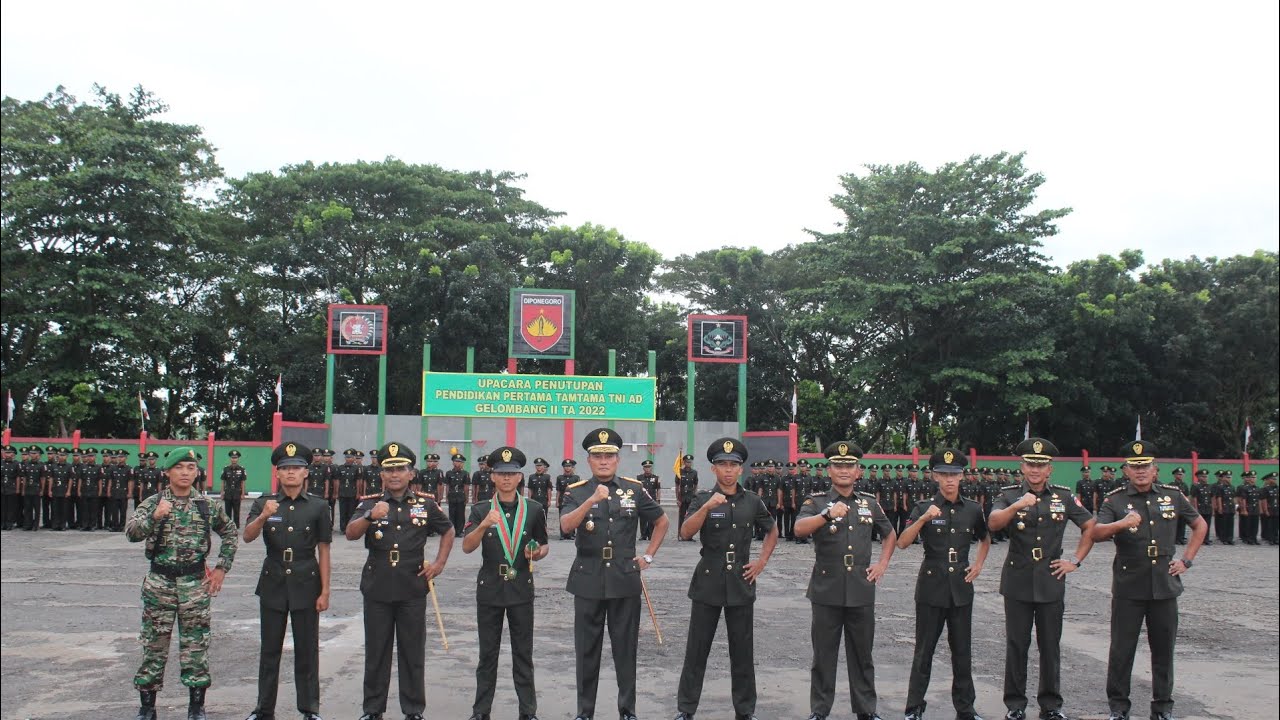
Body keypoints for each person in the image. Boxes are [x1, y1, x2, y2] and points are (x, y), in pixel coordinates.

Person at [1091, 440, 1207, 720]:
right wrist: (1122, 524)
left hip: (1164, 585)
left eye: (1145, 466)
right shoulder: (1115, 499)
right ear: (1126, 471)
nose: (1140, 471)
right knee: (1121, 649)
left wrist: (1187, 560)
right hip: (1129, 585)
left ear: (1155, 469)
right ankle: (1118, 708)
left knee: (1163, 649)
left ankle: (1163, 707)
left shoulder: (1173, 495)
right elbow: (1096, 533)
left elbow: (1199, 524)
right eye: (1134, 466)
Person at [560, 428, 669, 720]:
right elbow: (566, 526)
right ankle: (585, 712)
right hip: (587, 577)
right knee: (586, 651)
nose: (604, 461)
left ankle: (627, 711)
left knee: (625, 649)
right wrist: (591, 500)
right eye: (598, 456)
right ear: (589, 460)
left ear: (618, 459)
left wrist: (648, 556)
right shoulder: (576, 490)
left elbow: (662, 520)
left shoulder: (633, 489)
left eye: (609, 456)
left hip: (624, 577)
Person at [125, 446, 238, 720]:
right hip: (159, 583)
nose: (186, 473)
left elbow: (230, 532)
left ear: (196, 472)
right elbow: (132, 533)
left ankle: (196, 707)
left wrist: (222, 568)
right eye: (179, 467)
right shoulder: (153, 502)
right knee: (154, 646)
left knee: (196, 646)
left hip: (195, 584)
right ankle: (147, 708)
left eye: (190, 468)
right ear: (167, 472)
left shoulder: (206, 505)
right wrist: (155, 517)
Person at [987, 438, 1096, 720]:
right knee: (1017, 644)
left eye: (1041, 465)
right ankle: (1015, 705)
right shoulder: (1009, 494)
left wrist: (1075, 560)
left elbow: (1090, 526)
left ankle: (1050, 705)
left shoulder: (1064, 496)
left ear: (1050, 469)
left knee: (1050, 645)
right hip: (1018, 578)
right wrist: (1017, 506)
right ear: (1022, 467)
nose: (1035, 469)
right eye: (1030, 464)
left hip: (1051, 577)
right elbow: (994, 522)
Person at [345, 440, 454, 720]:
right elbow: (351, 533)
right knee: (377, 652)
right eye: (389, 469)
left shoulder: (425, 504)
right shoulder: (370, 504)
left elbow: (448, 530)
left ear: (411, 473)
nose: (395, 474)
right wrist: (370, 516)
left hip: (412, 587)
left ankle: (413, 710)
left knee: (412, 652)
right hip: (378, 587)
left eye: (400, 469)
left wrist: (440, 563)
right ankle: (372, 710)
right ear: (381, 474)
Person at [673, 438, 778, 720]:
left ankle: (745, 711)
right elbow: (684, 532)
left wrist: (761, 562)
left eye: (733, 465)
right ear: (713, 468)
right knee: (697, 649)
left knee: (742, 652)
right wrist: (707, 507)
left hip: (741, 581)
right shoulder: (702, 497)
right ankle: (686, 710)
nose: (728, 470)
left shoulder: (753, 501)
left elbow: (772, 530)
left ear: (740, 469)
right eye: (723, 465)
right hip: (708, 580)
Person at [793, 441, 896, 720]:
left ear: (857, 470)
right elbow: (799, 529)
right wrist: (826, 515)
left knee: (863, 655)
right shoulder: (816, 502)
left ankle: (866, 709)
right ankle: (819, 710)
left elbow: (889, 533)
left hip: (861, 588)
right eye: (838, 465)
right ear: (829, 470)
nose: (843, 470)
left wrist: (882, 563)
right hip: (827, 588)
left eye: (849, 465)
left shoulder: (869, 503)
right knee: (824, 655)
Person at [897, 447, 991, 720]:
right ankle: (914, 708)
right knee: (924, 650)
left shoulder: (972, 509)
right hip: (931, 586)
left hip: (961, 587)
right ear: (934, 476)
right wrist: (924, 518)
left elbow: (985, 538)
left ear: (962, 476)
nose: (950, 479)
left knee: (962, 651)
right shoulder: (924, 507)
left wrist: (979, 564)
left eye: (955, 474)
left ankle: (966, 708)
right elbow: (903, 542)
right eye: (943, 474)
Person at [242, 442, 332, 720]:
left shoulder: (318, 506)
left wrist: (325, 590)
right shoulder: (264, 503)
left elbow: (324, 549)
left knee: (307, 651)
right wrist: (264, 516)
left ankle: (309, 709)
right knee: (270, 650)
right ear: (277, 474)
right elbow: (247, 536)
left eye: (296, 468)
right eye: (285, 468)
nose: (291, 473)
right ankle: (263, 710)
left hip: (307, 580)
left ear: (306, 473)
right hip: (273, 581)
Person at [462, 446, 550, 720]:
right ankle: (480, 712)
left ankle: (528, 712)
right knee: (487, 656)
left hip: (521, 588)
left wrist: (536, 552)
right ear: (492, 477)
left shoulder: (534, 509)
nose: (506, 479)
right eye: (501, 474)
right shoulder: (480, 509)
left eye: (512, 474)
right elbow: (466, 546)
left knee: (523, 655)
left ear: (520, 477)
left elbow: (544, 545)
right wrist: (483, 524)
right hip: (489, 589)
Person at [220, 450, 247, 529]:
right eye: (232, 458)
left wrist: (243, 494)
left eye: (235, 458)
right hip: (228, 493)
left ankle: (236, 526)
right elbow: (223, 481)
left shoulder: (242, 469)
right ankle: (228, 526)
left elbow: (243, 482)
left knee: (236, 511)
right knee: (227, 511)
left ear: (238, 459)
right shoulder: (226, 469)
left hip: (237, 493)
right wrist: (222, 492)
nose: (234, 459)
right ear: (230, 459)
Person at [444, 453, 470, 535]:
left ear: (462, 463)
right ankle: (452, 530)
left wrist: (466, 497)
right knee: (452, 514)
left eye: (460, 462)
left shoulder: (465, 473)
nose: (458, 463)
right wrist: (447, 497)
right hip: (452, 496)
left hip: (461, 496)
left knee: (461, 514)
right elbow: (447, 486)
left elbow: (466, 487)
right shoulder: (449, 473)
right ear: (453, 462)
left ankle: (459, 531)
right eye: (456, 461)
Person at [556, 459, 580, 540]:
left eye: (569, 466)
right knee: (562, 516)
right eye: (566, 466)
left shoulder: (576, 478)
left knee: (572, 517)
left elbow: (578, 490)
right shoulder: (560, 478)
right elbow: (558, 491)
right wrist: (556, 501)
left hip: (573, 501)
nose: (567, 468)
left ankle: (571, 534)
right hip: (562, 500)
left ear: (573, 468)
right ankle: (562, 534)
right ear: (563, 468)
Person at [1188, 469, 1214, 546]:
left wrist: (1212, 508)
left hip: (1207, 507)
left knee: (1207, 524)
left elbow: (1211, 497)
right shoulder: (1195, 486)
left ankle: (1206, 539)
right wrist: (1195, 509)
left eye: (1206, 476)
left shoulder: (1209, 486)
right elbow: (1194, 498)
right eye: (1203, 476)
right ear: (1198, 477)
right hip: (1200, 508)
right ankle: (1199, 539)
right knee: (1199, 525)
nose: (1205, 478)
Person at [676, 454, 699, 539]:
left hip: (690, 497)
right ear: (684, 463)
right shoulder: (680, 472)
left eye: (690, 462)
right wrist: (677, 498)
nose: (688, 463)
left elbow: (695, 484)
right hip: (682, 498)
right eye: (687, 462)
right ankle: (681, 534)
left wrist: (695, 495)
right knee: (681, 516)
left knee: (690, 516)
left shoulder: (694, 472)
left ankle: (689, 535)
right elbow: (677, 486)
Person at [637, 459, 661, 541]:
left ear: (651, 468)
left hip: (652, 501)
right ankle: (643, 535)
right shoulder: (639, 478)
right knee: (643, 519)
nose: (647, 469)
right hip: (642, 500)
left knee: (652, 518)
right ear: (643, 468)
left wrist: (658, 499)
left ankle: (651, 534)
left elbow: (658, 489)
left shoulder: (655, 478)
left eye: (649, 467)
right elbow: (637, 489)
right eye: (646, 467)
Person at [1235, 470, 1261, 545]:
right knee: (1248, 524)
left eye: (1254, 477)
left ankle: (1254, 538)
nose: (1253, 479)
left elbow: (1259, 499)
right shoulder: (1244, 488)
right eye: (1251, 477)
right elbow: (1243, 499)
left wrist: (1260, 509)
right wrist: (1244, 509)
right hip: (1248, 508)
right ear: (1249, 478)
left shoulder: (1257, 488)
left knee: (1255, 525)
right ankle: (1249, 539)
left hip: (1255, 509)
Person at [1211, 470, 1236, 545]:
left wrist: (1234, 506)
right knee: (1224, 523)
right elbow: (1219, 498)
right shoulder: (1220, 487)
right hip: (1224, 507)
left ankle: (1230, 538)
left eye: (1230, 477)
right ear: (1224, 478)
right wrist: (1220, 507)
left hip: (1230, 507)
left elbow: (1233, 498)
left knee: (1230, 524)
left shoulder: (1232, 487)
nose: (1229, 479)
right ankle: (1224, 538)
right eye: (1227, 477)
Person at [1261, 472, 1279, 545]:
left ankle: (1276, 538)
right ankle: (1270, 539)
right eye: (1273, 479)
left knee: (1276, 525)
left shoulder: (1277, 488)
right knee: (1270, 525)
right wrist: (1265, 510)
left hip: (1276, 509)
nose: (1275, 480)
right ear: (1269, 480)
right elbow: (1264, 500)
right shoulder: (1266, 489)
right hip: (1270, 509)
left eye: (1276, 479)